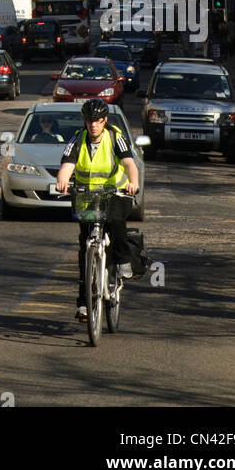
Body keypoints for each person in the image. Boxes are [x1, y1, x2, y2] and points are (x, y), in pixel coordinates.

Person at [55, 97, 139, 323]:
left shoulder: (115, 137)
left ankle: (122, 261)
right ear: (84, 120)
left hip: (114, 194)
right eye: (90, 120)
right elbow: (66, 166)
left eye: (98, 120)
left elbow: (130, 163)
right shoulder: (77, 139)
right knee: (85, 247)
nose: (94, 124)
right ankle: (83, 303)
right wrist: (62, 181)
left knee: (117, 223)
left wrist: (133, 182)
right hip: (87, 198)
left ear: (104, 121)